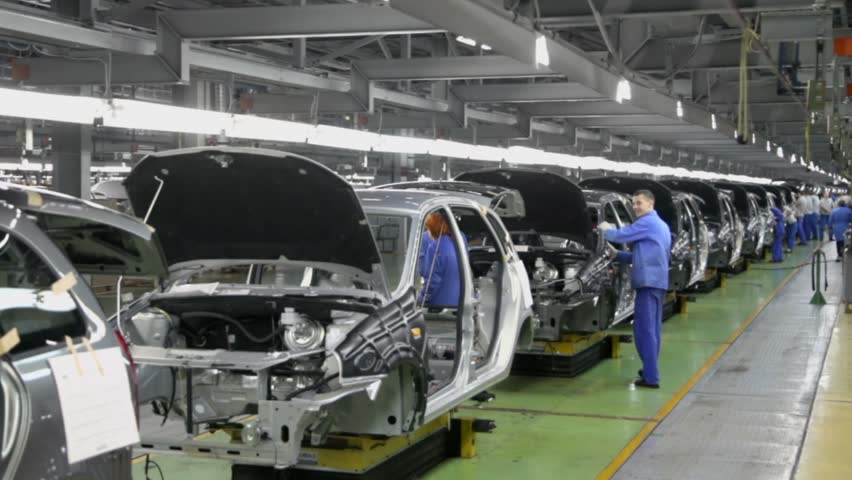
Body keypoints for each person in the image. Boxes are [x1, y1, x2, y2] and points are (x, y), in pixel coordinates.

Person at [598, 190, 671, 389]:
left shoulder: (647, 222)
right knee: (653, 329)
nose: (635, 206)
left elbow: (621, 235)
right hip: (657, 282)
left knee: (644, 330)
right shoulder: (661, 225)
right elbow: (641, 255)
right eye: (633, 203)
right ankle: (650, 369)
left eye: (639, 203)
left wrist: (604, 228)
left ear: (650, 203)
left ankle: (651, 378)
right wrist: (617, 255)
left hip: (648, 283)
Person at [419, 212, 461, 307]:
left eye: (428, 227)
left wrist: (422, 299)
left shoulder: (435, 247)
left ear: (433, 227)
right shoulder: (460, 238)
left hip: (441, 303)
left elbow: (432, 282)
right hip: (460, 298)